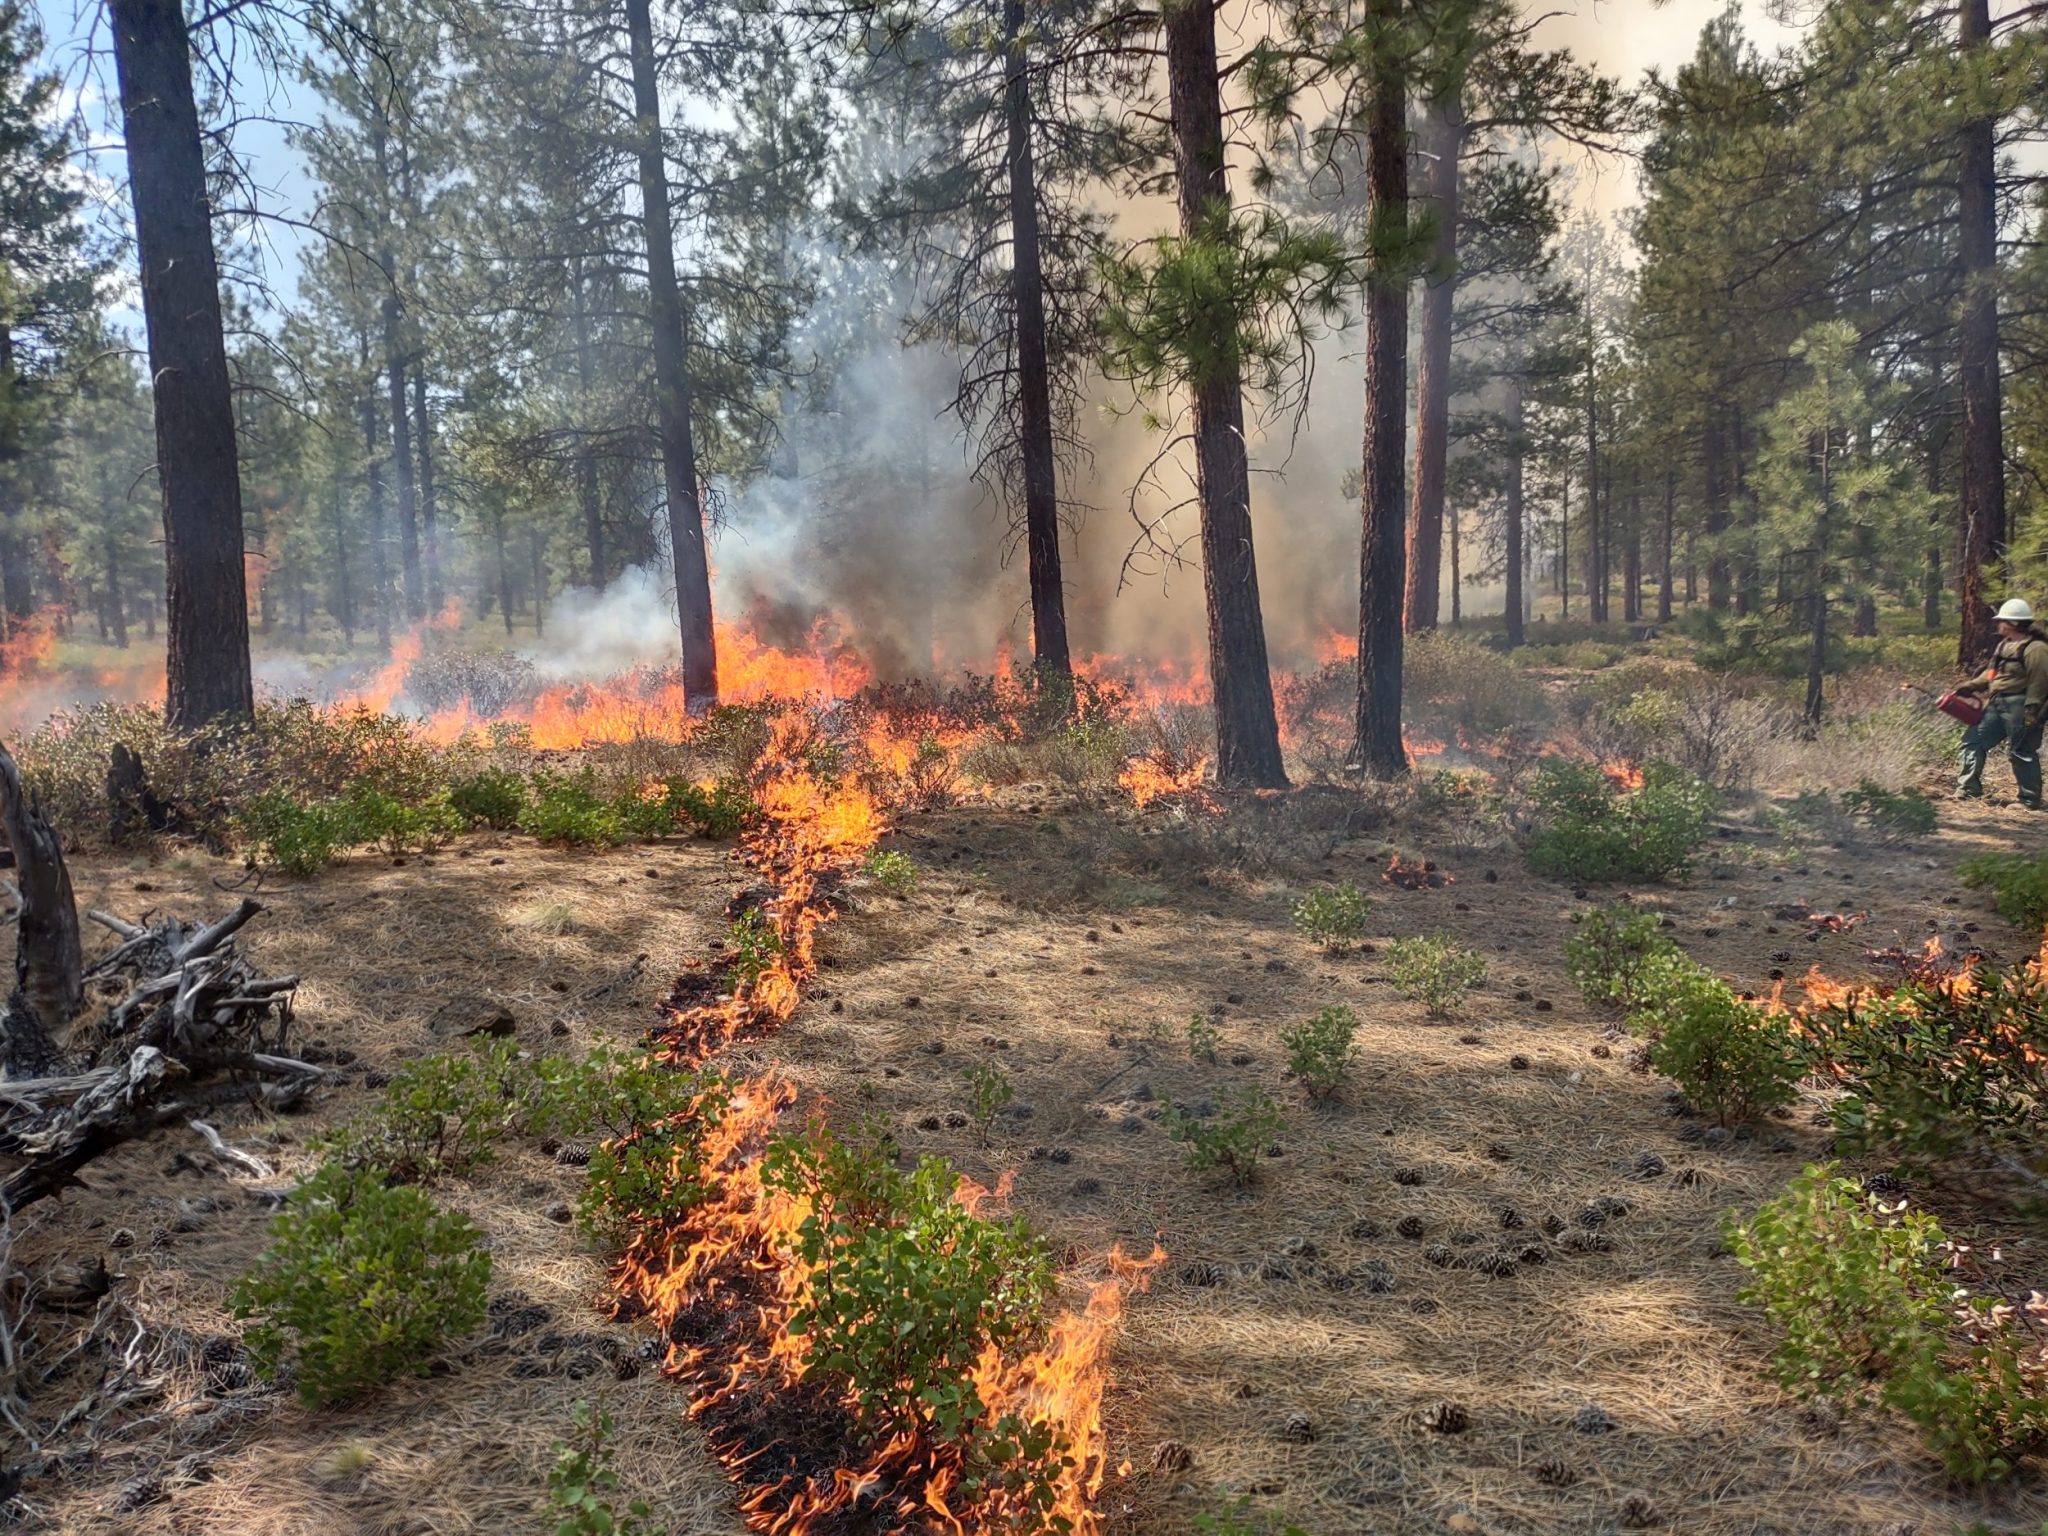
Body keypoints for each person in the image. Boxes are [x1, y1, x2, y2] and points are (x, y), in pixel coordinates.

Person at [1955, 598, 2048, 809]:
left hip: (2021, 706)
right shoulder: (2004, 646)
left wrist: (2032, 709)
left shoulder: (2037, 649)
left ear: (2013, 623)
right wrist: (1971, 686)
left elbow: (2040, 681)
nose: (1998, 624)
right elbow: (1991, 675)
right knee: (1973, 741)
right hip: (1997, 704)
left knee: (2021, 750)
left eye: (2002, 621)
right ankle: (1968, 790)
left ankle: (2029, 800)